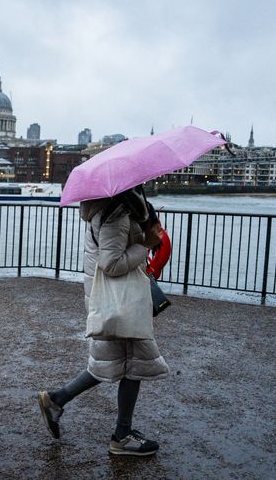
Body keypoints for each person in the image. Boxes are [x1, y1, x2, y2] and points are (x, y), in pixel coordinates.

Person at [38, 185, 169, 456]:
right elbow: (111, 263)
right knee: (135, 365)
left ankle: (57, 400)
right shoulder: (116, 214)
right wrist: (144, 245)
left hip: (114, 301)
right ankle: (121, 436)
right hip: (121, 302)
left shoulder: (110, 208)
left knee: (113, 362)